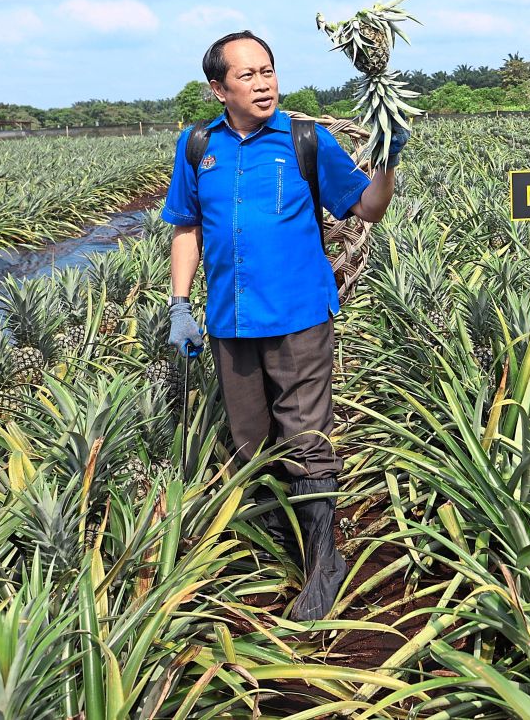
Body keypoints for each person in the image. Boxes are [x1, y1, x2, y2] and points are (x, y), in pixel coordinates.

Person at [161, 30, 402, 622]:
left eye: (267, 70)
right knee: (249, 438)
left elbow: (365, 207)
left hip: (297, 315)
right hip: (229, 320)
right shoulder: (197, 146)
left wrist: (389, 163)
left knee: (305, 436)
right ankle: (277, 548)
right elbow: (186, 227)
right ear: (219, 88)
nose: (263, 82)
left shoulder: (305, 139)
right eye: (247, 75)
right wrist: (180, 304)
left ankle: (325, 561)